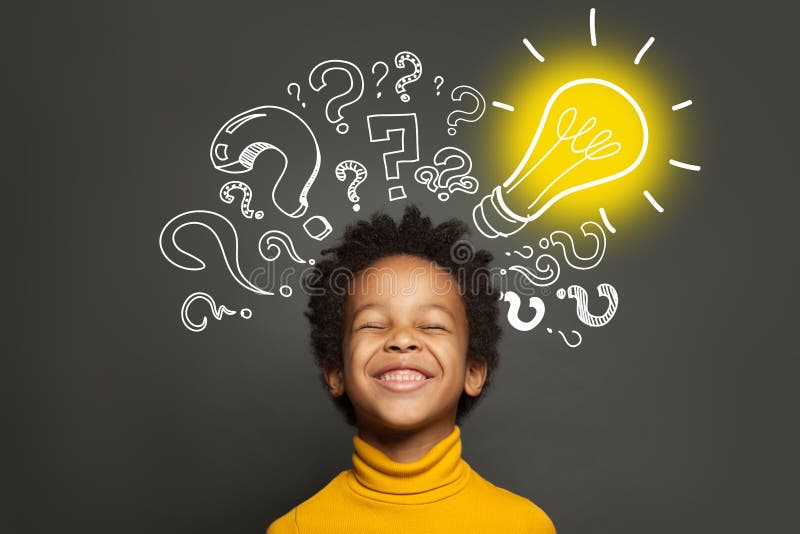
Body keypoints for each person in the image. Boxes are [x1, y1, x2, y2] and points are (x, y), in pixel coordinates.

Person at [267, 205, 556, 533]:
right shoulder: (296, 528)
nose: (402, 339)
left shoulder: (524, 525)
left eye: (432, 326)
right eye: (373, 324)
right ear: (336, 373)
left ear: (473, 371)